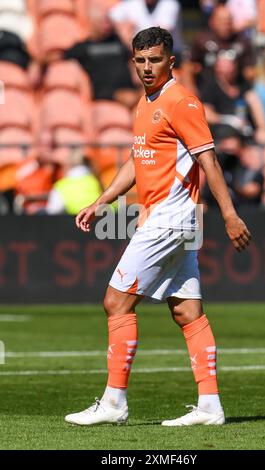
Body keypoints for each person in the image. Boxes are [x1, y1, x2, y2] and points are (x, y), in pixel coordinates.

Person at [65, 27, 251, 427]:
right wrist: (103, 201)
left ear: (171, 61)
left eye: (154, 60)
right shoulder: (145, 102)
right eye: (140, 60)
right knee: (186, 311)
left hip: (169, 217)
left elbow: (209, 161)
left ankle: (114, 402)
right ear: (133, 61)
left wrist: (230, 214)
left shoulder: (181, 102)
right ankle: (210, 406)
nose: (147, 68)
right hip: (169, 219)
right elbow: (137, 160)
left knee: (115, 303)